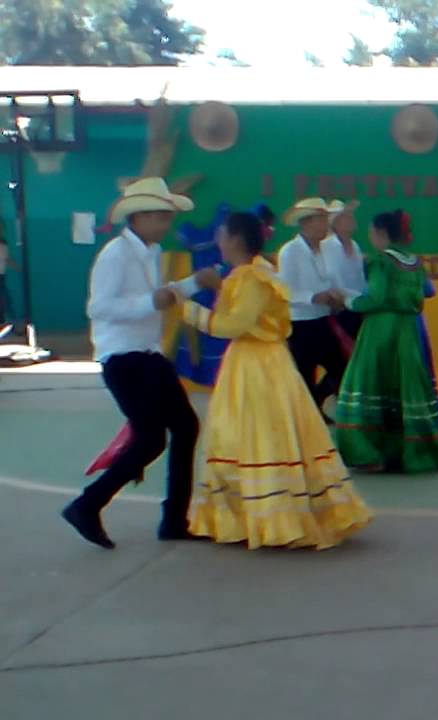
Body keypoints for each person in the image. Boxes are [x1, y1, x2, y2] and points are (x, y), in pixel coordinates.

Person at [182, 211, 371, 549]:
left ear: (236, 240)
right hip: (264, 361)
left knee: (257, 433)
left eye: (222, 236)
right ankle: (265, 513)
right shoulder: (257, 272)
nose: (219, 243)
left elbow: (233, 325)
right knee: (268, 431)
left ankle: (270, 517)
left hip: (256, 365)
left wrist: (185, 309)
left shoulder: (250, 276)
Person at [61, 178, 217, 549]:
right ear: (139, 216)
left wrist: (193, 283)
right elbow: (98, 308)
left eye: (167, 216)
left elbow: (159, 296)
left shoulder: (150, 252)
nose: (166, 223)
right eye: (161, 216)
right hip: (124, 359)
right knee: (151, 439)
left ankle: (174, 520)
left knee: (185, 427)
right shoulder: (115, 255)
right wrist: (152, 302)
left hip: (148, 356)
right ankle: (88, 505)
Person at [334, 210, 438, 473]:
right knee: (407, 385)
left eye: (371, 232)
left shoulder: (381, 262)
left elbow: (376, 297)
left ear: (382, 234)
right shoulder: (413, 262)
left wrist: (347, 300)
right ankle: (413, 448)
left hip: (381, 330)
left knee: (369, 382)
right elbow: (428, 290)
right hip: (408, 329)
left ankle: (372, 452)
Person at [277, 197, 349, 422]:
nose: (325, 224)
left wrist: (336, 296)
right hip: (301, 324)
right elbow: (284, 292)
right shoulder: (289, 252)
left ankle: (317, 406)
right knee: (305, 375)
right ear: (305, 223)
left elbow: (331, 281)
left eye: (326, 219)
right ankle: (309, 420)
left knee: (343, 369)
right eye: (320, 219)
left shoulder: (327, 249)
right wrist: (313, 297)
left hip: (324, 320)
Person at [322, 200, 365, 343]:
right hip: (340, 310)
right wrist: (357, 298)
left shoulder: (354, 245)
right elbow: (334, 279)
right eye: (346, 217)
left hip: (358, 308)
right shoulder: (329, 245)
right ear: (335, 223)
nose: (351, 220)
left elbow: (360, 278)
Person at [0, 231, 17, 328]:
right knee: (5, 298)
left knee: (4, 298)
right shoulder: (3, 245)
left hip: (1, 275)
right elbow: (6, 259)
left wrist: (16, 267)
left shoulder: (3, 245)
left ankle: (4, 320)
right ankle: (11, 321)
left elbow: (6, 259)